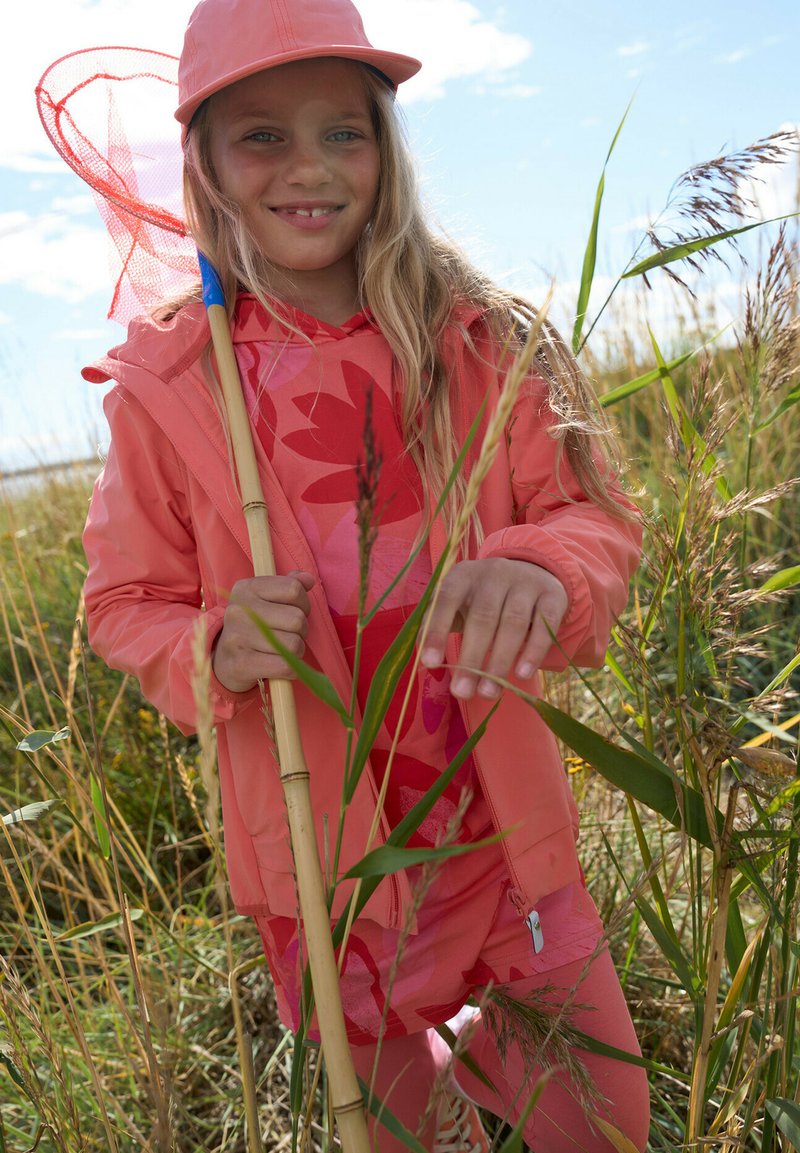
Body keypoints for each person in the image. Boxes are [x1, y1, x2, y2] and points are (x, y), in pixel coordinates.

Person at [81, 0, 650, 1148]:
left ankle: (495, 1045)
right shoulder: (173, 382)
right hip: (321, 861)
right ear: (203, 163)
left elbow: (589, 515)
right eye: (262, 137)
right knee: (397, 1133)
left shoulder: (485, 337)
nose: (309, 167)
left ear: (386, 148)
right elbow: (124, 602)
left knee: (601, 1124)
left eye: (343, 132)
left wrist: (540, 564)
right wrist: (215, 645)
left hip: (499, 826)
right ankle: (444, 1063)